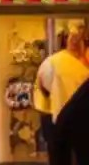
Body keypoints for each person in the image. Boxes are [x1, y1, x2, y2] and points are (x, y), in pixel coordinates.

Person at [36, 29, 89, 165]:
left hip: (59, 116)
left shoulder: (53, 62)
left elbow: (43, 87)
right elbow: (43, 86)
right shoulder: (56, 62)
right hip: (66, 118)